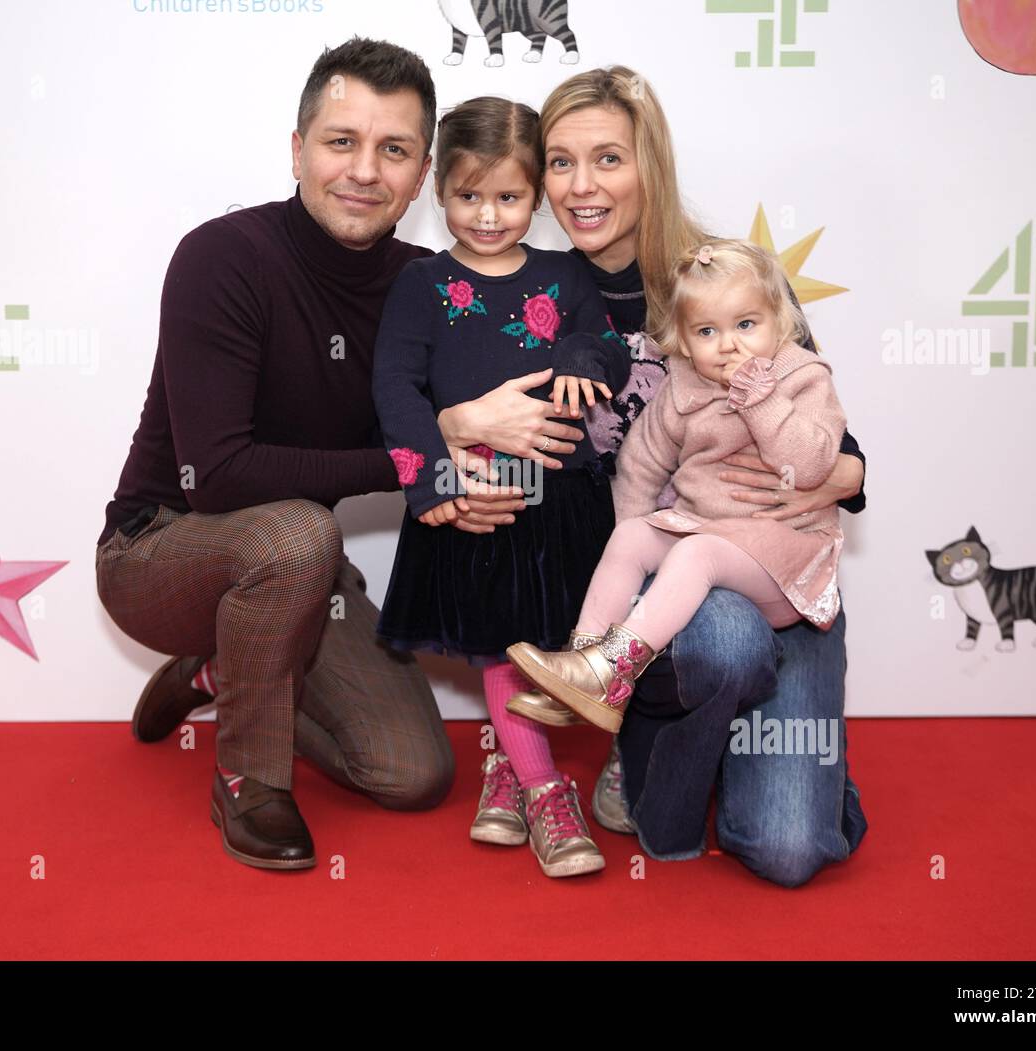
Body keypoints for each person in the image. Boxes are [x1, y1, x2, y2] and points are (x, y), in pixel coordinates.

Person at [433, 66, 869, 885]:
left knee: (787, 848)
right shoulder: (534, 289)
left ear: (650, 165)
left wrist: (833, 476)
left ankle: (746, 755)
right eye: (558, 162)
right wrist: (452, 425)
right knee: (722, 639)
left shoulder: (725, 277)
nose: (580, 185)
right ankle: (639, 721)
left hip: (773, 561)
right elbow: (440, 399)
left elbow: (841, 443)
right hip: (645, 577)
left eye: (607, 158)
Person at [94, 38, 465, 870]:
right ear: (298, 150)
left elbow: (476, 424)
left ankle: (222, 672)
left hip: (298, 576)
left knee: (415, 774)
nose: (365, 170)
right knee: (298, 534)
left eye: (394, 149)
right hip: (159, 549)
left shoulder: (432, 289)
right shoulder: (224, 256)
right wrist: (414, 466)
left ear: (423, 172)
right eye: (342, 141)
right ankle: (248, 779)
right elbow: (219, 474)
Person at [371, 97, 631, 878]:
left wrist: (587, 357)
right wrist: (432, 482)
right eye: (468, 195)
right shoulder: (420, 284)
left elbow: (607, 348)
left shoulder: (565, 274)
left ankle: (508, 766)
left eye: (509, 196)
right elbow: (395, 386)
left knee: (564, 644)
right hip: (475, 501)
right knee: (502, 645)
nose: (488, 215)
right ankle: (545, 788)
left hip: (566, 504)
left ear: (536, 197)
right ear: (439, 190)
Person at [509, 237, 848, 732]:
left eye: (747, 325)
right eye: (707, 331)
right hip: (709, 534)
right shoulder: (685, 385)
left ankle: (611, 671)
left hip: (784, 557)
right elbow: (642, 463)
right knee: (630, 535)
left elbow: (814, 462)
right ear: (684, 343)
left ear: (781, 320)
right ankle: (583, 667)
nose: (729, 344)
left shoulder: (801, 375)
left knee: (696, 553)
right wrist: (637, 549)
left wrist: (760, 398)